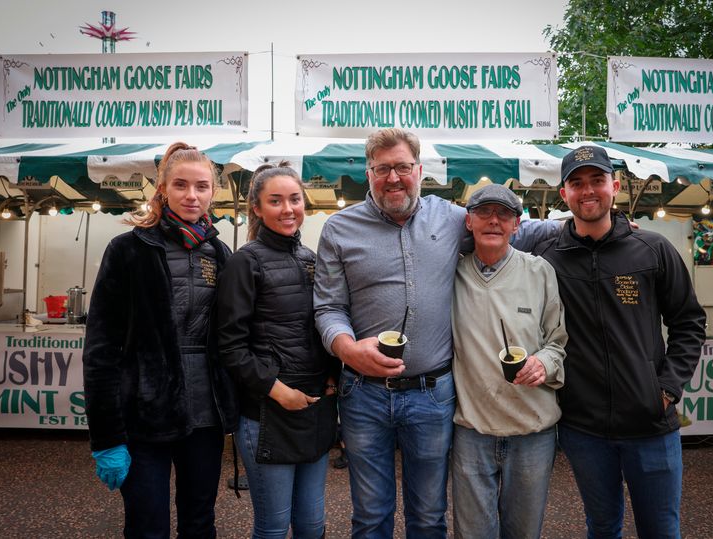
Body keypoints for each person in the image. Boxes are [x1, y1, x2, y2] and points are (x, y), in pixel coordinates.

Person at [313, 128, 558, 538]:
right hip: (364, 393)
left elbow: (510, 229)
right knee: (370, 516)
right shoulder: (339, 229)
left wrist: (585, 230)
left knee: (428, 517)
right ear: (369, 173)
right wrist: (347, 348)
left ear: (420, 171)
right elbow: (328, 307)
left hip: (431, 393)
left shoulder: (450, 218)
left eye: (403, 167)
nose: (394, 177)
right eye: (383, 169)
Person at [534, 145, 706, 539]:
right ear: (564, 194)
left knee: (661, 530)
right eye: (577, 183)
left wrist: (666, 388)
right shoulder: (546, 258)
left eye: (597, 180)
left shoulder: (653, 249)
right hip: (583, 427)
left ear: (615, 186)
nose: (588, 190)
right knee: (603, 528)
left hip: (650, 423)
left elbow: (689, 321)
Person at [82, 142, 238, 539]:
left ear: (213, 192)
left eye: (201, 187)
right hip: (143, 416)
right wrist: (106, 436)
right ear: (162, 189)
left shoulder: (219, 252)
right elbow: (101, 350)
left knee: (199, 523)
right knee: (147, 526)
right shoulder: (128, 250)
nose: (191, 195)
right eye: (181, 185)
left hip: (204, 416)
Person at [217, 162, 339, 539]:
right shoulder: (245, 262)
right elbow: (229, 345)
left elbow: (319, 326)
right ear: (257, 208)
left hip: (314, 409)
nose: (288, 209)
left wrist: (332, 372)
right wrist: (276, 390)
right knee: (272, 527)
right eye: (275, 201)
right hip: (267, 414)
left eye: (294, 199)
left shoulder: (310, 260)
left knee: (311, 525)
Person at [451, 184, 567, 539]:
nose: (494, 221)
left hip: (532, 429)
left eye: (504, 214)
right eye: (484, 212)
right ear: (468, 221)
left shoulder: (539, 271)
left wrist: (543, 364)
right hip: (472, 430)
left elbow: (557, 342)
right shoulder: (450, 274)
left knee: (523, 532)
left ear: (518, 225)